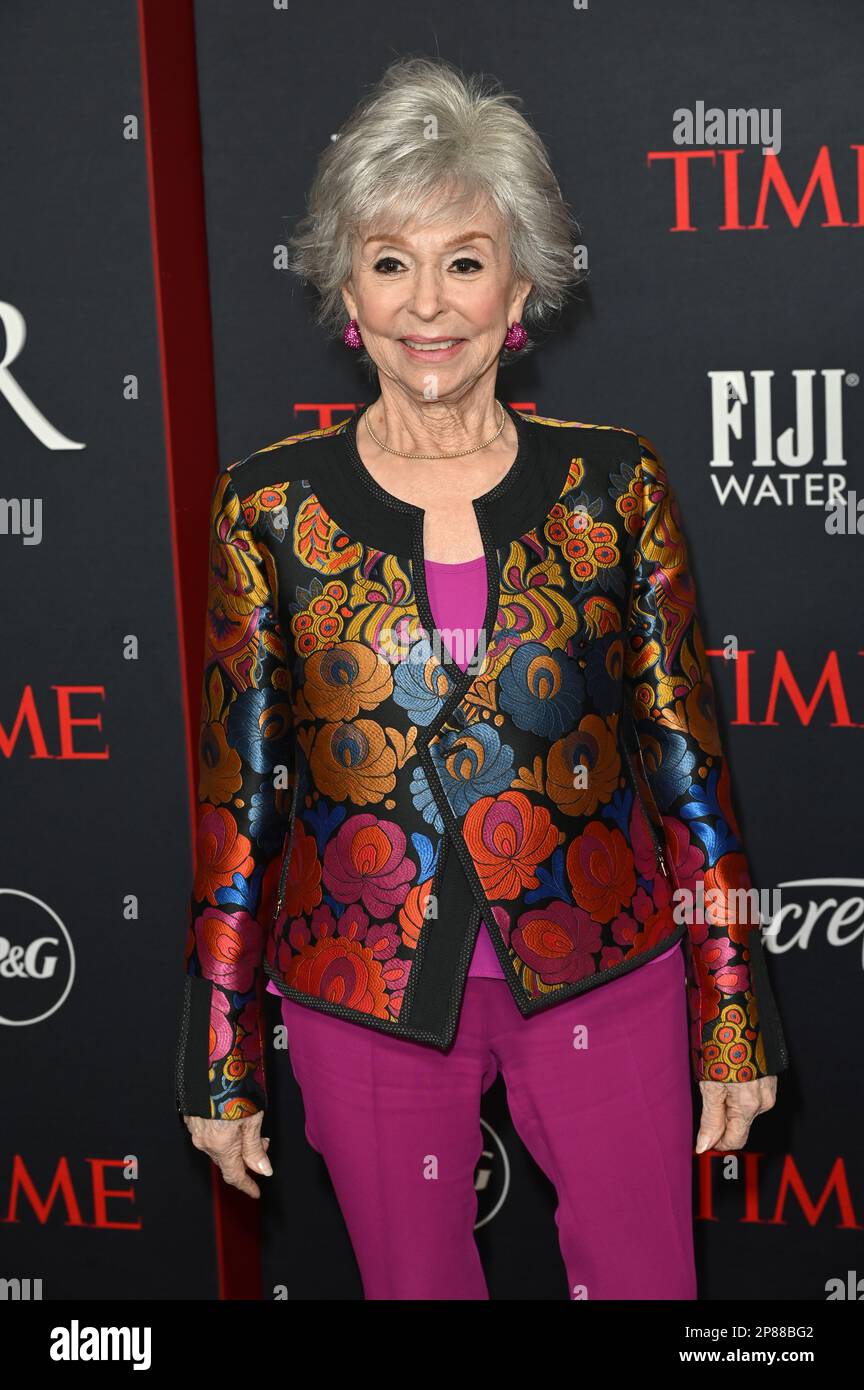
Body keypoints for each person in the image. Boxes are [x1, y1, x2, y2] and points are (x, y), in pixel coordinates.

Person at [175, 55, 789, 1300]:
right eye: (389, 260)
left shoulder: (614, 486)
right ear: (347, 286)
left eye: (464, 258)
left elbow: (690, 775)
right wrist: (224, 1048)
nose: (427, 303)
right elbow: (237, 808)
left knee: (646, 1287)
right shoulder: (270, 508)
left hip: (606, 975)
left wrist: (730, 1008)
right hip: (365, 985)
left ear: (521, 285)